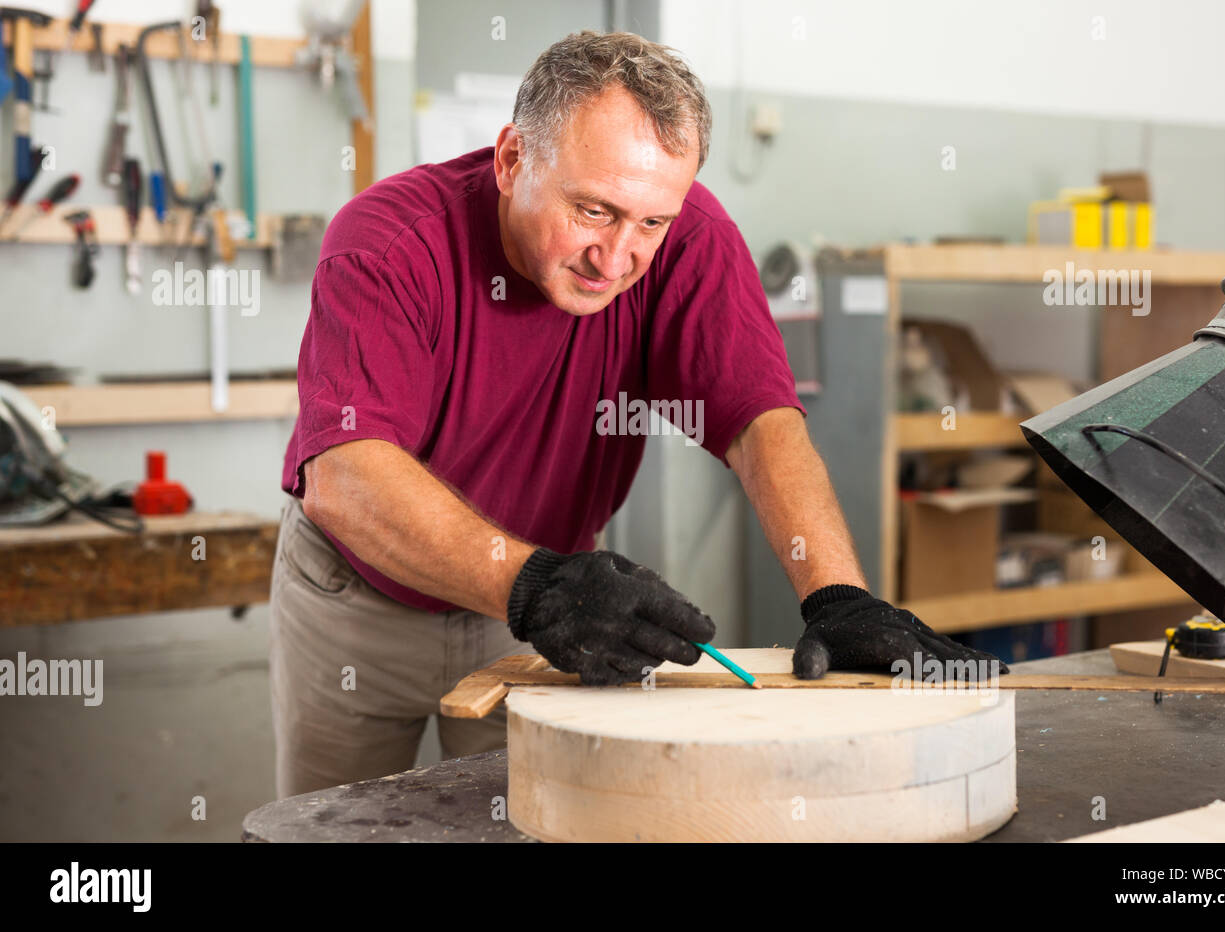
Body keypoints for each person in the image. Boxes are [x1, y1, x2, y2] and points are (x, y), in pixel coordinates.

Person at [269, 30, 1002, 799]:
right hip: (361, 598)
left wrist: (837, 595)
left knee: (529, 819)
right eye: (593, 210)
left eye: (651, 223)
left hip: (547, 602)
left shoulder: (692, 237)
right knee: (331, 824)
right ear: (513, 160)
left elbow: (763, 426)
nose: (617, 257)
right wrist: (537, 587)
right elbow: (345, 479)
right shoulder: (387, 244)